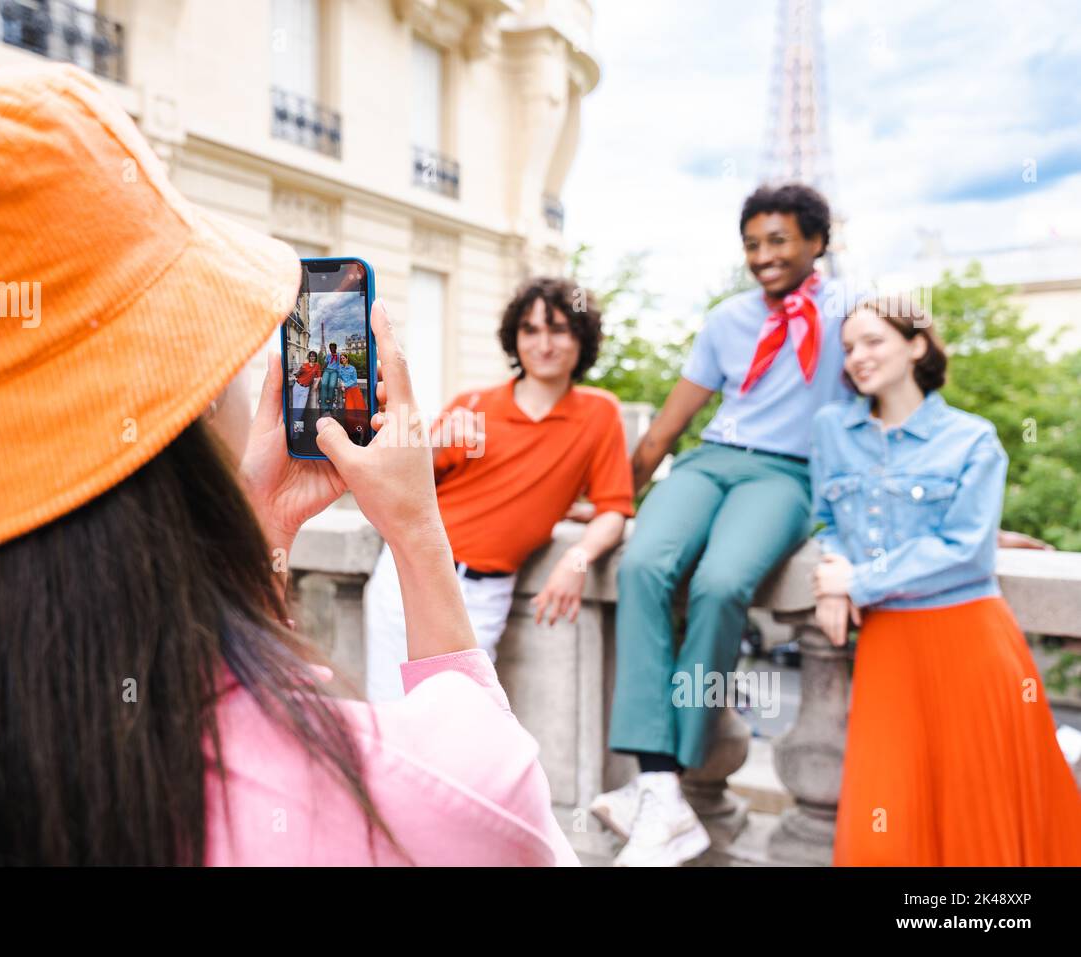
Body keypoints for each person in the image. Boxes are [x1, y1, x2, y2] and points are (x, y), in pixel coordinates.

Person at [0, 62, 578, 867]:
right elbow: (508, 819)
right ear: (182, 409)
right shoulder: (392, 795)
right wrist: (414, 533)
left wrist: (256, 541)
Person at [593, 183, 853, 867]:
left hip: (786, 473)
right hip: (712, 460)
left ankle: (667, 780)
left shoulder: (852, 311)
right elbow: (669, 426)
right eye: (752, 244)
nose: (763, 256)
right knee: (644, 564)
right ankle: (658, 784)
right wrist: (608, 499)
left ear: (817, 241)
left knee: (721, 583)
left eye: (779, 240)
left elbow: (904, 389)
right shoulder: (727, 319)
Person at [810, 296, 1081, 866]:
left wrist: (855, 582)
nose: (858, 357)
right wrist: (832, 572)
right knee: (885, 819)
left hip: (971, 641)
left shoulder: (973, 439)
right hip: (888, 644)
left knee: (976, 817)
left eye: (874, 340)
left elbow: (966, 551)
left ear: (917, 345)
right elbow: (827, 520)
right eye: (850, 347)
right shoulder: (832, 429)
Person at [364, 277, 634, 703]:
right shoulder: (473, 404)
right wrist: (432, 444)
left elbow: (614, 510)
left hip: (486, 593)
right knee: (391, 715)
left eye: (559, 329)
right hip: (408, 572)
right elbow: (399, 485)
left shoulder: (599, 414)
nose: (544, 343)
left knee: (467, 719)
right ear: (515, 338)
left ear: (582, 338)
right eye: (530, 329)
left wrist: (576, 560)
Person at [291, 349, 321, 432]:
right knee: (295, 410)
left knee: (300, 411)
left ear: (315, 357)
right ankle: (296, 433)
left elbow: (318, 376)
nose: (312, 357)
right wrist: (300, 371)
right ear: (309, 357)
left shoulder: (317, 366)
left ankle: (294, 431)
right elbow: (297, 376)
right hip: (297, 387)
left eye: (314, 356)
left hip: (305, 389)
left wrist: (316, 384)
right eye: (311, 356)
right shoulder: (304, 365)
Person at [320, 342, 341, 411]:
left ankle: (330, 405)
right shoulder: (328, 355)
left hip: (334, 371)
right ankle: (324, 406)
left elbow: (342, 364)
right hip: (327, 370)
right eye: (330, 348)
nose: (331, 349)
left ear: (335, 348)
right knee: (323, 384)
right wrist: (320, 372)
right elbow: (325, 364)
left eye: (333, 348)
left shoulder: (339, 355)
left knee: (332, 386)